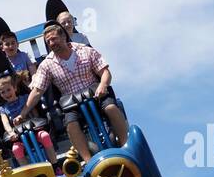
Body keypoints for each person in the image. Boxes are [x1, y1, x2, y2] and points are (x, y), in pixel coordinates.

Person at [13, 23, 128, 161]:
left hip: (96, 93)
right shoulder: (47, 64)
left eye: (54, 39)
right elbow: (37, 91)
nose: (51, 43)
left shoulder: (85, 51)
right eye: (48, 41)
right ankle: (88, 160)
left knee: (110, 107)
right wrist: (23, 114)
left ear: (63, 36)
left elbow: (105, 72)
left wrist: (103, 85)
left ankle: (125, 145)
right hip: (72, 103)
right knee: (71, 123)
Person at [0, 73, 56, 164]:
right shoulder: (3, 109)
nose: (6, 93)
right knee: (16, 149)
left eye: (8, 90)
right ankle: (31, 175)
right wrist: (11, 132)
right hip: (18, 137)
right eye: (3, 92)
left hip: (34, 130)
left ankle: (55, 165)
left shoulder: (25, 98)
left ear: (15, 88)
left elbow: (35, 113)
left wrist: (34, 122)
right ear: (0, 95)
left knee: (44, 136)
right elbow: (5, 123)